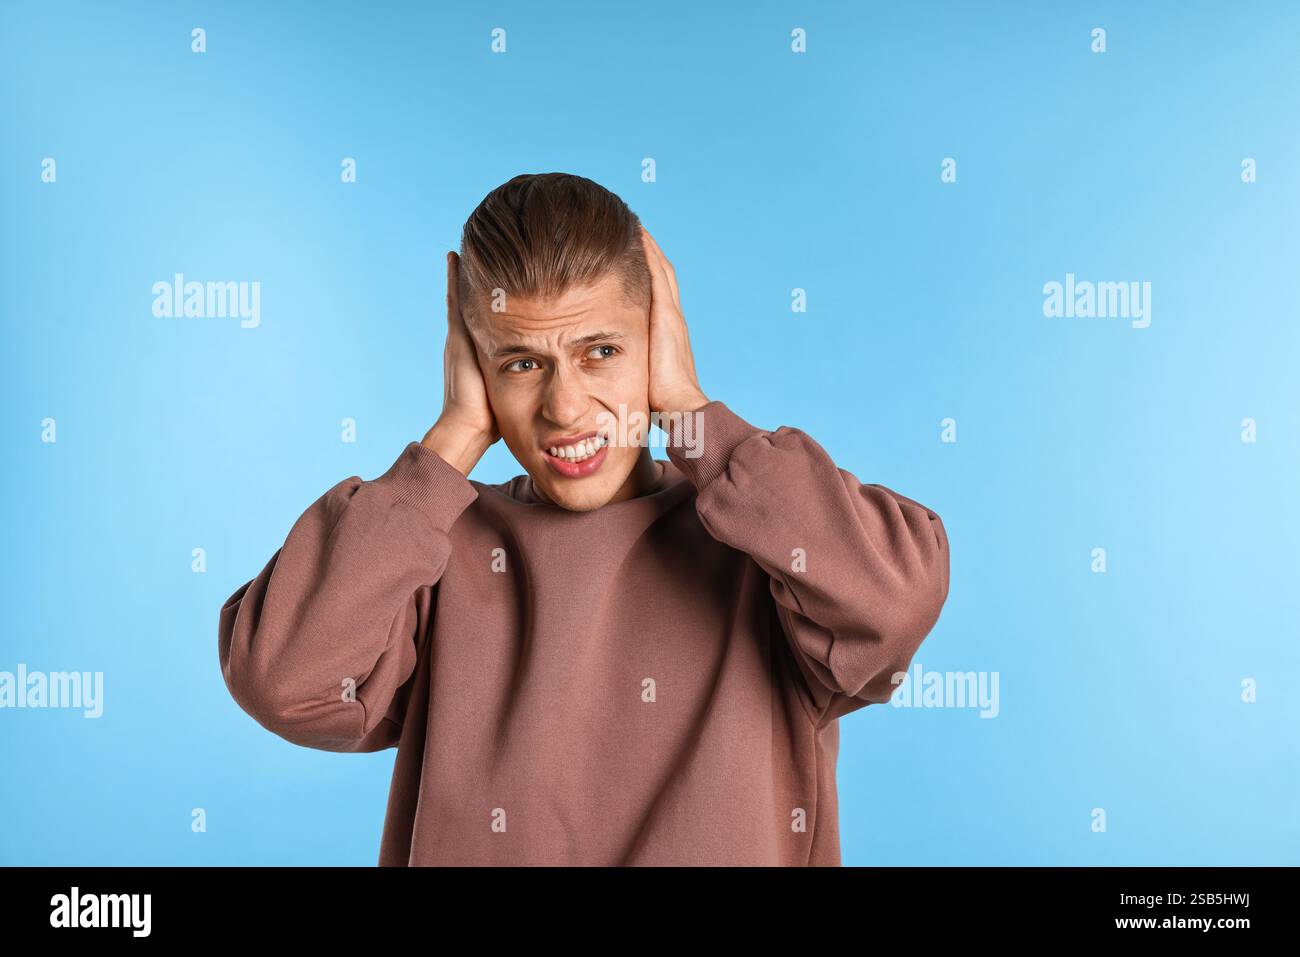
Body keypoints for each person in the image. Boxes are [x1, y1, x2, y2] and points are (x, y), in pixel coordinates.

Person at [218, 172, 951, 865]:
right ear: (471, 365)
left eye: (600, 351)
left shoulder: (761, 548)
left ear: (659, 340)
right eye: (521, 364)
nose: (565, 408)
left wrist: (695, 418)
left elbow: (893, 604)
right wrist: (446, 449)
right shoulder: (433, 552)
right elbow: (283, 679)